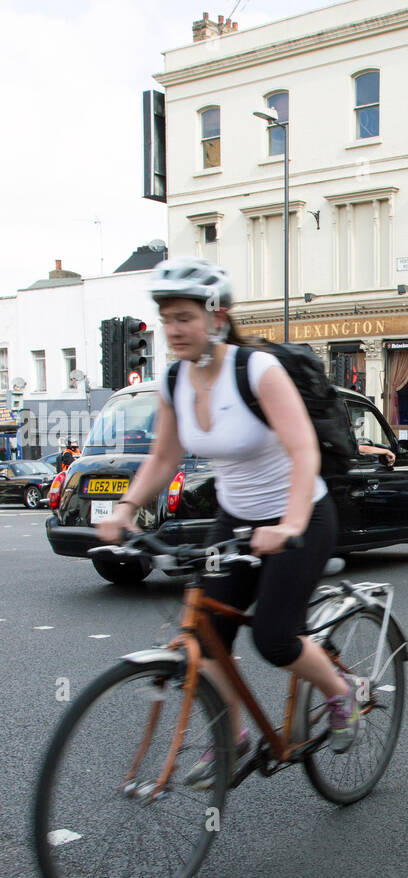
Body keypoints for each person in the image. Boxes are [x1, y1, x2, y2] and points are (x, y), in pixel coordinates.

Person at [94, 256, 360, 782]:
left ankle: (342, 692)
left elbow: (304, 451)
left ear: (217, 317)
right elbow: (164, 458)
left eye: (184, 317)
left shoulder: (257, 370)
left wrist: (288, 523)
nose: (173, 329)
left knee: (274, 638)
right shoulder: (174, 380)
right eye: (166, 318)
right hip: (235, 519)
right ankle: (230, 738)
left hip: (300, 514)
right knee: (204, 631)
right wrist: (124, 510)